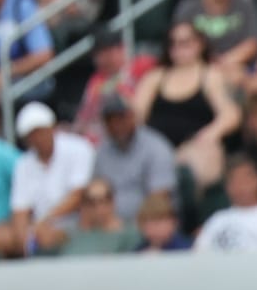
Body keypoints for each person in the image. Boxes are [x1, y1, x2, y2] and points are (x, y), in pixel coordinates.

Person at [133, 22, 242, 190]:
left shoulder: (211, 76)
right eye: (173, 44)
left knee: (204, 155)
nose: (178, 49)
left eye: (185, 43)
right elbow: (136, 114)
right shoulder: (154, 77)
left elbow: (230, 114)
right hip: (157, 150)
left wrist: (210, 134)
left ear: (200, 44)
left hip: (194, 148)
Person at [0, 102, 93, 258]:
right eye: (32, 134)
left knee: (49, 235)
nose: (37, 138)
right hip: (40, 227)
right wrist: (25, 236)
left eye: (40, 131)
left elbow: (77, 196)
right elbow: (20, 210)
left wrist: (43, 222)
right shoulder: (24, 164)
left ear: (52, 128)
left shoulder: (78, 148)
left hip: (76, 222)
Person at [173, 0, 257, 81]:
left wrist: (224, 62)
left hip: (236, 66)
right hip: (196, 65)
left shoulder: (245, 5)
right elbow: (180, 40)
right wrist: (206, 64)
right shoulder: (188, 7)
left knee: (237, 75)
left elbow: (252, 43)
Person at [92, 93, 176, 223]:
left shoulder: (155, 147)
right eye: (110, 120)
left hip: (147, 225)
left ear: (132, 116)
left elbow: (159, 199)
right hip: (109, 226)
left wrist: (132, 225)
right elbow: (96, 191)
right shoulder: (103, 150)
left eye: (120, 118)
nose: (116, 124)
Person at [74, 29, 157, 143]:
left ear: (121, 49)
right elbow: (83, 119)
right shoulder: (96, 81)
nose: (103, 59)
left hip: (143, 128)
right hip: (105, 137)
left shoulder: (142, 65)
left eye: (108, 53)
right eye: (99, 55)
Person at [58, 176, 141, 255]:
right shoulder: (66, 235)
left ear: (113, 202)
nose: (99, 207)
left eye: (105, 200)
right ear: (82, 205)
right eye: (91, 202)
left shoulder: (131, 236)